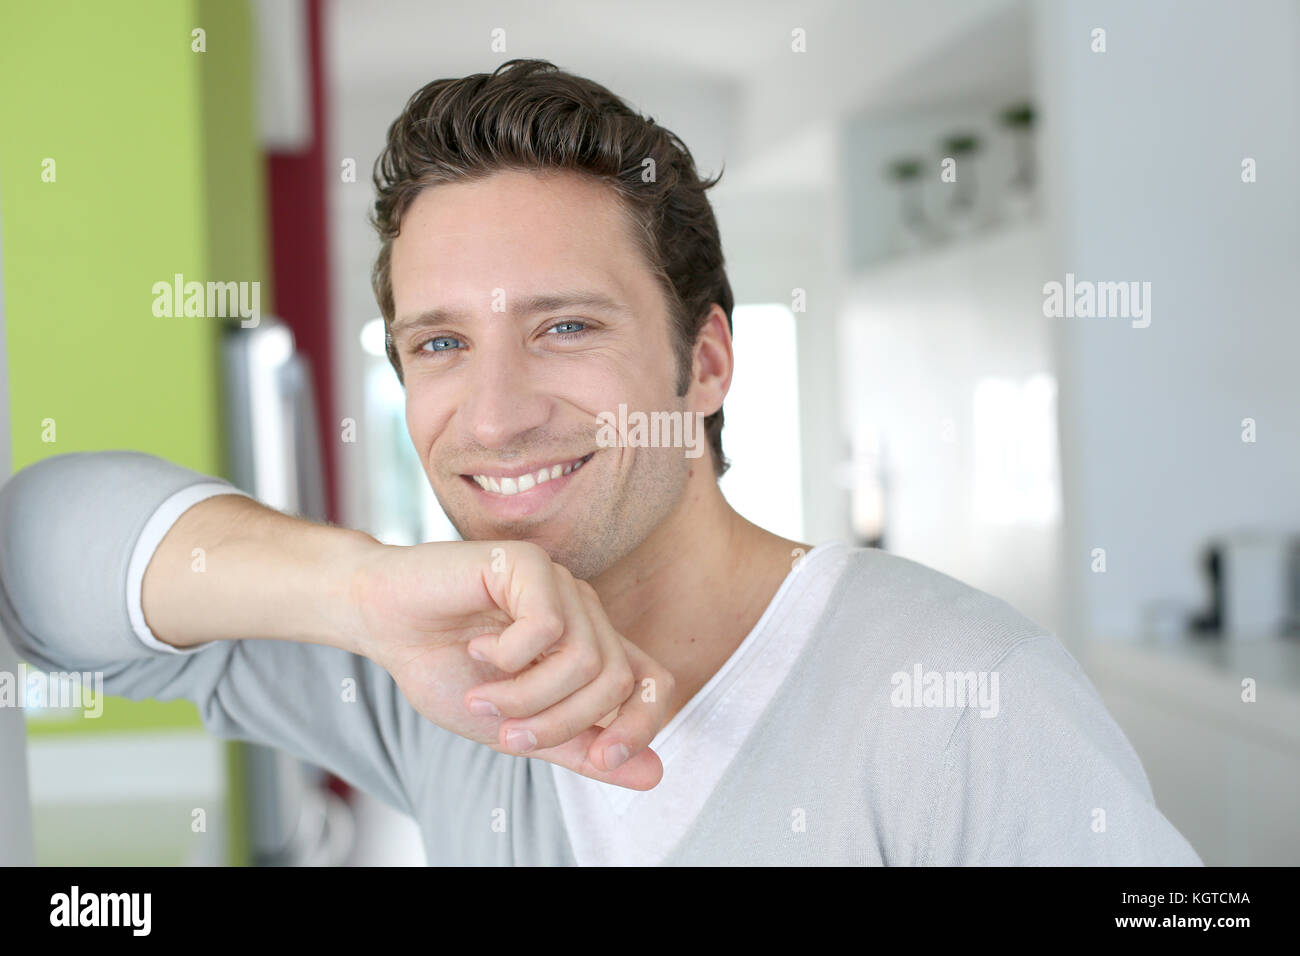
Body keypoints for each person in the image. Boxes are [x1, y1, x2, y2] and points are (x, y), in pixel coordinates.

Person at [0, 59, 1201, 866]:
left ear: (707, 361)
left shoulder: (963, 698)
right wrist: (362, 594)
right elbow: (35, 560)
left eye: (566, 326)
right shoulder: (448, 677)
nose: (497, 411)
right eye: (441, 342)